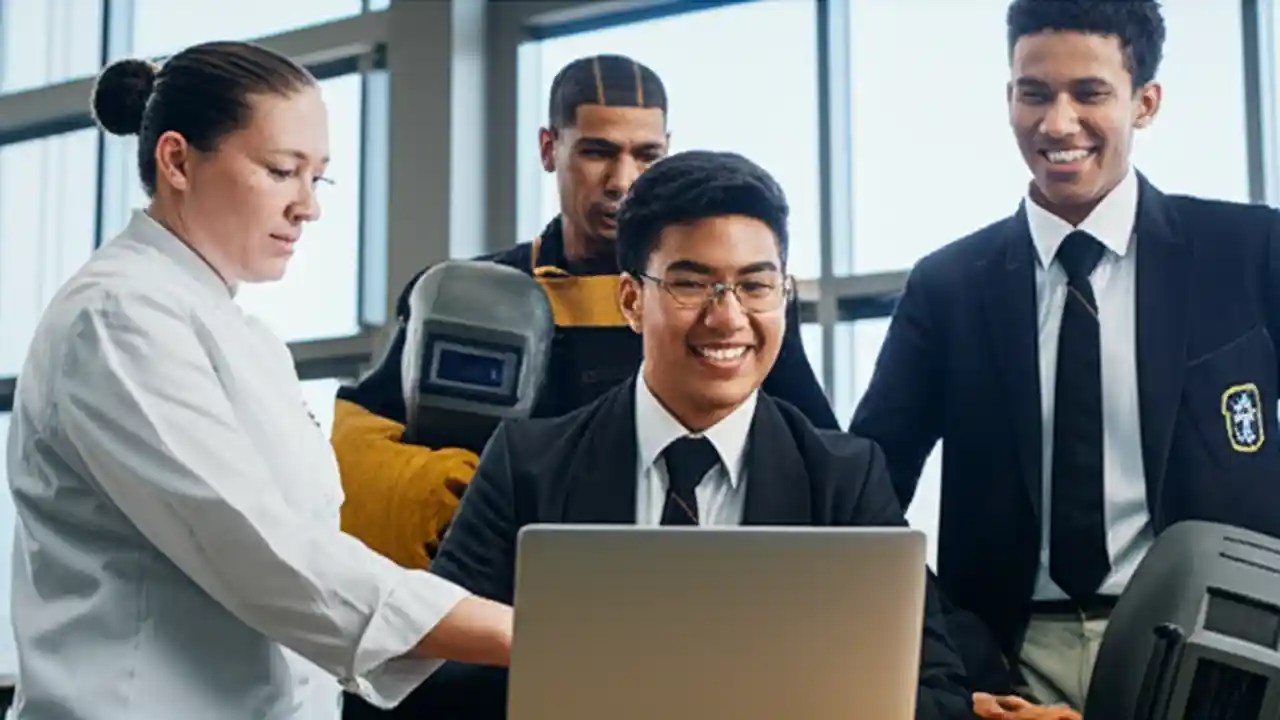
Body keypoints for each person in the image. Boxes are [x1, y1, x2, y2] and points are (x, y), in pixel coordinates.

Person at [4, 43, 512, 720]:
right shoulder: (116, 317)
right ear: (177, 160)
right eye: (281, 171)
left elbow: (306, 552)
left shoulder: (243, 338)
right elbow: (267, 553)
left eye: (318, 179)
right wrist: (523, 634)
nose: (308, 207)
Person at [411, 150, 976, 720]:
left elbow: (938, 696)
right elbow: (433, 673)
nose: (727, 317)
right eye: (692, 284)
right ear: (632, 300)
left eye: (756, 286)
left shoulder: (843, 479)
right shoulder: (526, 465)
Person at [848, 0, 1280, 712]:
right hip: (1012, 663)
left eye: (1089, 93)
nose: (1057, 123)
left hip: (1210, 654)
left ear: (1145, 103)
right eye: (1035, 93)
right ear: (1008, 97)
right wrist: (945, 657)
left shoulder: (1249, 252)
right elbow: (863, 498)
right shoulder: (948, 287)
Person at [332, 54, 836, 571]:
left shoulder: (731, 309)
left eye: (647, 156)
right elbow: (355, 442)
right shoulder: (465, 294)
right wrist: (432, 493)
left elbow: (818, 459)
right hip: (502, 586)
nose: (623, 180)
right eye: (597, 152)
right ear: (550, 149)